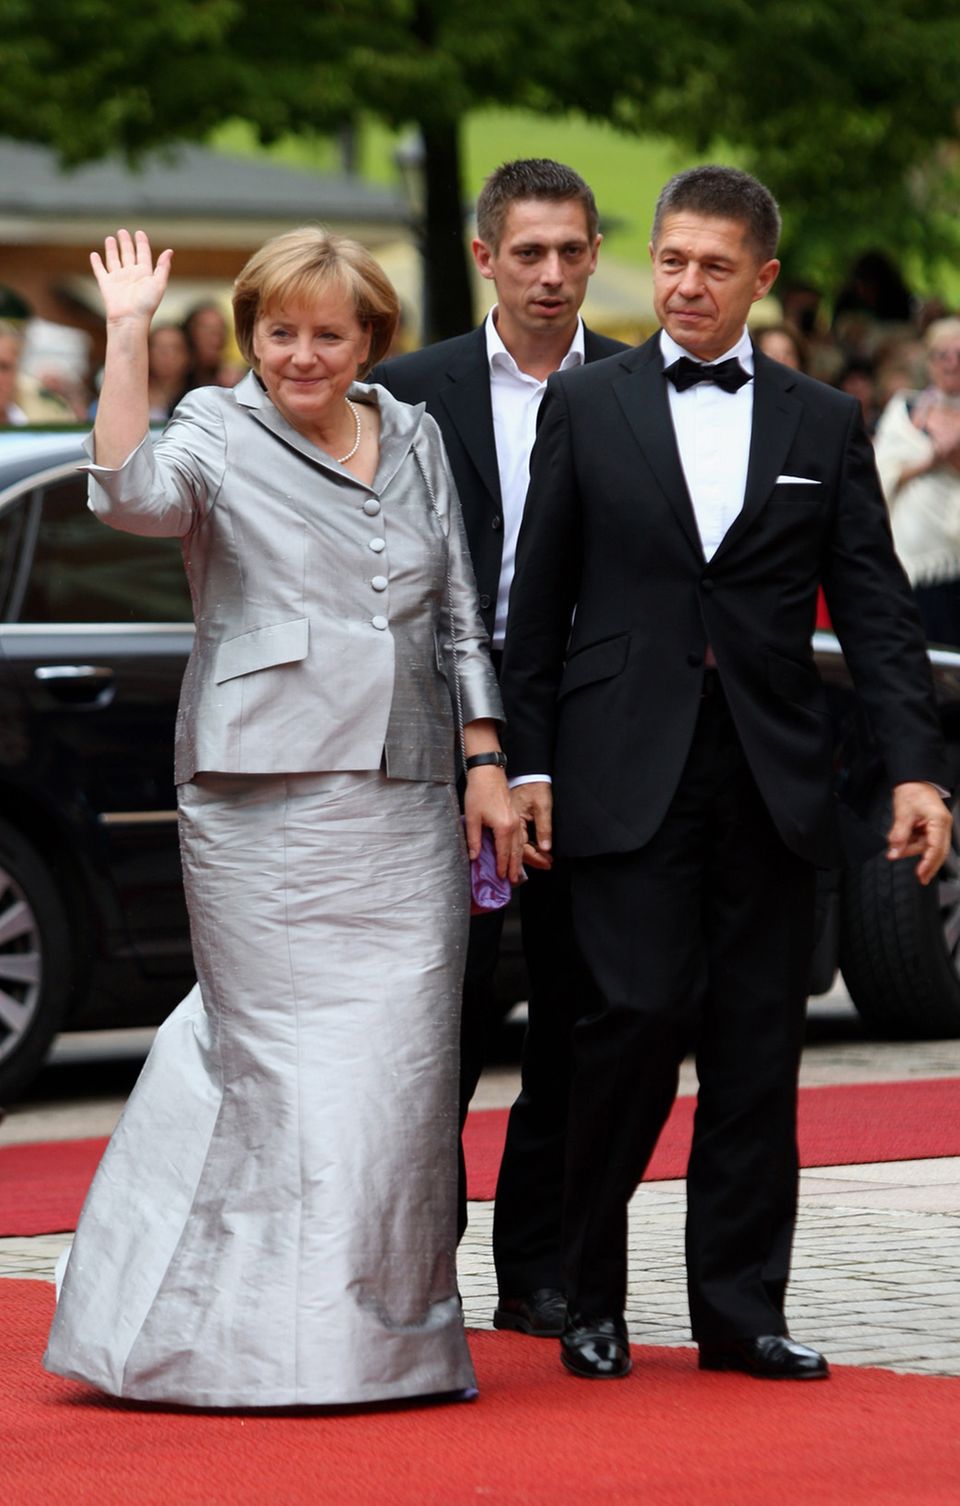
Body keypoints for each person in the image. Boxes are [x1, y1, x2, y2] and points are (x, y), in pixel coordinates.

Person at [44, 225, 522, 1408]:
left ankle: (386, 1341)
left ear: (369, 340)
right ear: (251, 335)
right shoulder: (211, 422)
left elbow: (459, 603)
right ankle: (237, 1344)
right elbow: (128, 495)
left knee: (401, 1077)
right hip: (259, 800)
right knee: (280, 1068)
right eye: (278, 333)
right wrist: (125, 335)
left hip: (407, 791)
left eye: (327, 334)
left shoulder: (410, 429)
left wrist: (485, 758)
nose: (301, 355)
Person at [500, 165, 951, 1383]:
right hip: (617, 774)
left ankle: (741, 1311)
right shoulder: (589, 406)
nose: (687, 284)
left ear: (763, 279)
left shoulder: (821, 420)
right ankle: (585, 1291)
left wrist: (918, 770)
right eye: (671, 261)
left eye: (714, 266)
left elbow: (875, 611)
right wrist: (524, 766)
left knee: (758, 1050)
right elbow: (533, 613)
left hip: (773, 776)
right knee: (629, 1026)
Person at [370, 159, 628, 1339]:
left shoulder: (637, 386)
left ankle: (542, 1270)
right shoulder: (404, 393)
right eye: (529, 252)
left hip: (594, 743)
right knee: (442, 1020)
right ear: (484, 256)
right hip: (438, 746)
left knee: (581, 1015)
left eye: (572, 250)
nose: (553, 274)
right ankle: (418, 1263)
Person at [874, 317, 960, 648]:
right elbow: (880, 472)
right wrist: (931, 458)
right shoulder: (904, 408)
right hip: (915, 560)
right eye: (941, 355)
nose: (950, 363)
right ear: (929, 361)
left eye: (958, 355)